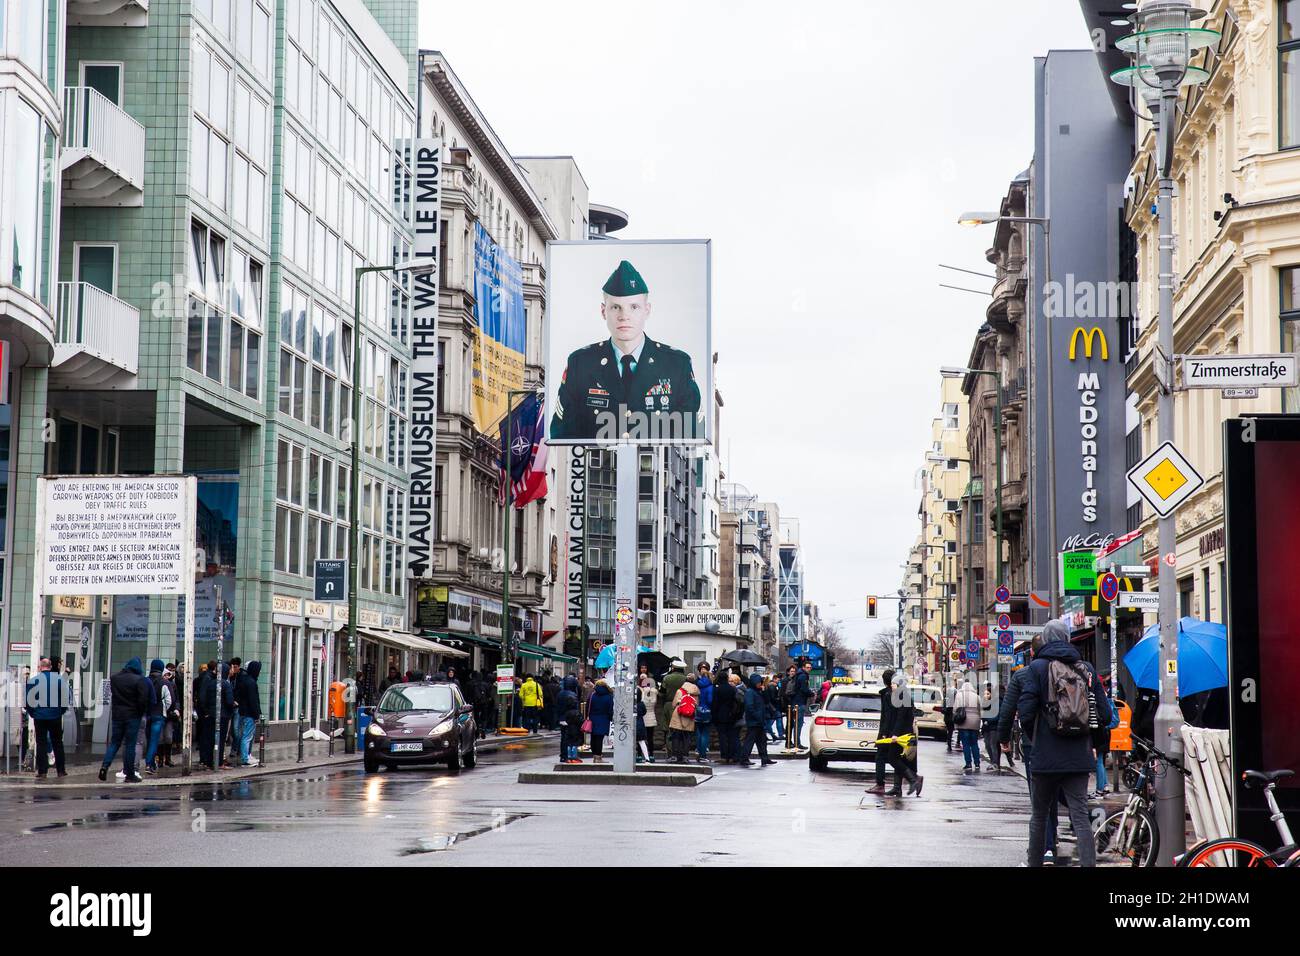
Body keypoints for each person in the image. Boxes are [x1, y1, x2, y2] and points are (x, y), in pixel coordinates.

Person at [550, 259, 703, 442]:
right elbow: (562, 436)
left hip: (657, 470)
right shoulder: (581, 364)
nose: (624, 316)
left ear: (647, 310)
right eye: (616, 307)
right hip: (598, 469)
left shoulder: (676, 365)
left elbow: (693, 438)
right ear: (603, 311)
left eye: (634, 307)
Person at [1008, 619, 1111, 868]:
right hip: (1079, 756)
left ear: (1044, 639)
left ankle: (1035, 863)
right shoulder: (1085, 668)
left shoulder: (1037, 668)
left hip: (1045, 758)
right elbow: (1105, 716)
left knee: (1039, 816)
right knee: (1080, 817)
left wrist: (1037, 738)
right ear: (1067, 638)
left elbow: (1026, 709)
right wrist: (1092, 742)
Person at [99, 658, 151, 783]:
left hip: (117, 716)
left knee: (115, 743)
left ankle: (105, 766)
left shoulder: (115, 678)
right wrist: (140, 712)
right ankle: (130, 774)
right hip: (133, 716)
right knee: (130, 745)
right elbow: (143, 700)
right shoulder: (140, 680)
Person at [876, 673, 924, 796]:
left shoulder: (903, 697)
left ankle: (914, 779)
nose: (891, 686)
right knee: (898, 758)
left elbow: (900, 718)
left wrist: (895, 734)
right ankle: (897, 787)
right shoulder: (898, 696)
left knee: (892, 758)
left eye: (893, 684)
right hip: (899, 733)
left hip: (902, 735)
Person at [25, 658, 69, 779]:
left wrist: (32, 713)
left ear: (40, 667)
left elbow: (28, 701)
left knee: (41, 743)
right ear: (50, 667)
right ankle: (61, 770)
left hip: (39, 716)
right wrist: (61, 711)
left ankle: (42, 771)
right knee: (58, 743)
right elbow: (65, 698)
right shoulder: (60, 680)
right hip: (55, 715)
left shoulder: (33, 681)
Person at [866, 668, 898, 794]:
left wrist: (884, 733)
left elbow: (887, 715)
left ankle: (880, 784)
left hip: (888, 731)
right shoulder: (899, 692)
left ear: (885, 681)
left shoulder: (887, 694)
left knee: (880, 756)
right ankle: (907, 780)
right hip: (898, 730)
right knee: (894, 757)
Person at [738, 673, 777, 767]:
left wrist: (764, 691)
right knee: (750, 741)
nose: (760, 684)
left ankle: (764, 758)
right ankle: (744, 758)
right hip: (754, 721)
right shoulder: (750, 692)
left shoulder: (758, 691)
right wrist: (757, 716)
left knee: (762, 741)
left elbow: (767, 701)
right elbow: (749, 707)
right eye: (758, 682)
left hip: (759, 720)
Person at [143, 660, 172, 775]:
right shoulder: (164, 682)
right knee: (154, 740)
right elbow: (169, 700)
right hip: (159, 714)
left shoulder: (145, 681)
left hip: (146, 713)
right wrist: (164, 709)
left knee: (149, 738)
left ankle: (151, 763)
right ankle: (149, 764)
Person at [234, 660, 262, 767]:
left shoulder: (244, 680)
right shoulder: (251, 683)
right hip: (249, 713)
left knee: (245, 736)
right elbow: (253, 700)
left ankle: (247, 755)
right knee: (247, 736)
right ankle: (245, 757)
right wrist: (256, 714)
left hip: (243, 712)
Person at [667, 674, 700, 763]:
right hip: (690, 716)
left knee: (676, 737)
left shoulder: (680, 691)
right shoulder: (696, 692)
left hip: (678, 715)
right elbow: (696, 705)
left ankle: (675, 756)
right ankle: (685, 756)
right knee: (687, 737)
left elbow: (674, 704)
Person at [658, 660, 688, 752]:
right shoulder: (685, 679)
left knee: (669, 728)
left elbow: (661, 693)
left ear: (673, 668)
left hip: (669, 704)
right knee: (682, 728)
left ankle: (671, 750)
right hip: (683, 704)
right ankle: (681, 750)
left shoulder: (667, 678)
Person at [954, 679, 982, 773]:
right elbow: (981, 709)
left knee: (965, 744)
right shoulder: (977, 696)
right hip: (975, 722)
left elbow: (955, 709)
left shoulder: (959, 695)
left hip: (963, 722)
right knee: (974, 743)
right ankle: (977, 763)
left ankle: (968, 763)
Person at [587, 679, 614, 763]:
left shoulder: (592, 695)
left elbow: (588, 707)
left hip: (592, 719)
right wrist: (610, 718)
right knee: (599, 738)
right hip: (604, 719)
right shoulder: (609, 696)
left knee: (593, 737)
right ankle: (598, 757)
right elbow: (610, 709)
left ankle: (595, 756)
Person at [557, 675, 582, 763]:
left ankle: (563, 755)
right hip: (571, 719)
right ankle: (570, 756)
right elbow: (574, 709)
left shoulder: (560, 693)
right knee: (571, 738)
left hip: (562, 717)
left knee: (563, 737)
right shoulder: (572, 694)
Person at [788, 661, 813, 750]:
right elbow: (803, 689)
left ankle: (796, 742)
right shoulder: (803, 676)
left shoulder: (799, 674)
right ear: (803, 667)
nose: (809, 669)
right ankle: (797, 743)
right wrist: (811, 693)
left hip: (797, 702)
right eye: (807, 667)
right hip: (799, 702)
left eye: (810, 667)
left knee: (798, 724)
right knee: (799, 724)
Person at [693, 663, 713, 763]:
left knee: (698, 732)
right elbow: (710, 700)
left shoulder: (697, 684)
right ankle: (703, 753)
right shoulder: (710, 686)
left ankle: (698, 749)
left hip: (697, 709)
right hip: (707, 710)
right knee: (705, 733)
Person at [639, 675, 659, 760]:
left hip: (643, 719)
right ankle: (651, 755)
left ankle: (639, 755)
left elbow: (642, 702)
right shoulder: (654, 695)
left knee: (640, 738)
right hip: (652, 719)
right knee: (650, 738)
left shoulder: (642, 695)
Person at [764, 673, 784, 742]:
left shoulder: (770, 686)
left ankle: (772, 734)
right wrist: (778, 698)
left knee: (772, 721)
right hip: (774, 706)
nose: (779, 681)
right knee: (774, 720)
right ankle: (778, 734)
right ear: (775, 679)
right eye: (778, 679)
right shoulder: (772, 686)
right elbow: (773, 697)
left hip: (772, 706)